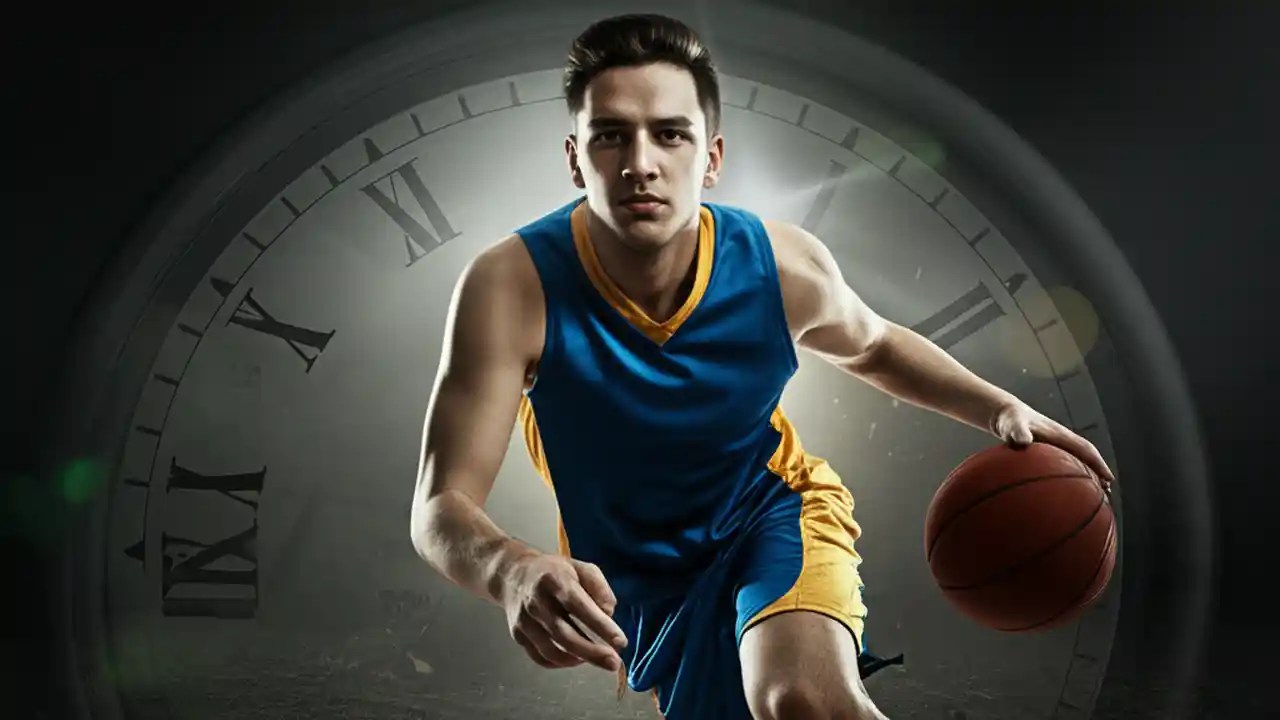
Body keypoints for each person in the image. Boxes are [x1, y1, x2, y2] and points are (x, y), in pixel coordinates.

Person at [409, 13, 1115, 720]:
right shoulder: (511, 287)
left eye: (670, 133)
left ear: (711, 157)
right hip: (649, 594)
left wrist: (998, 408)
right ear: (575, 157)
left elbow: (872, 343)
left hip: (771, 514)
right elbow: (440, 506)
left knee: (802, 700)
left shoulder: (779, 265)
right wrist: (509, 570)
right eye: (611, 135)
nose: (640, 162)